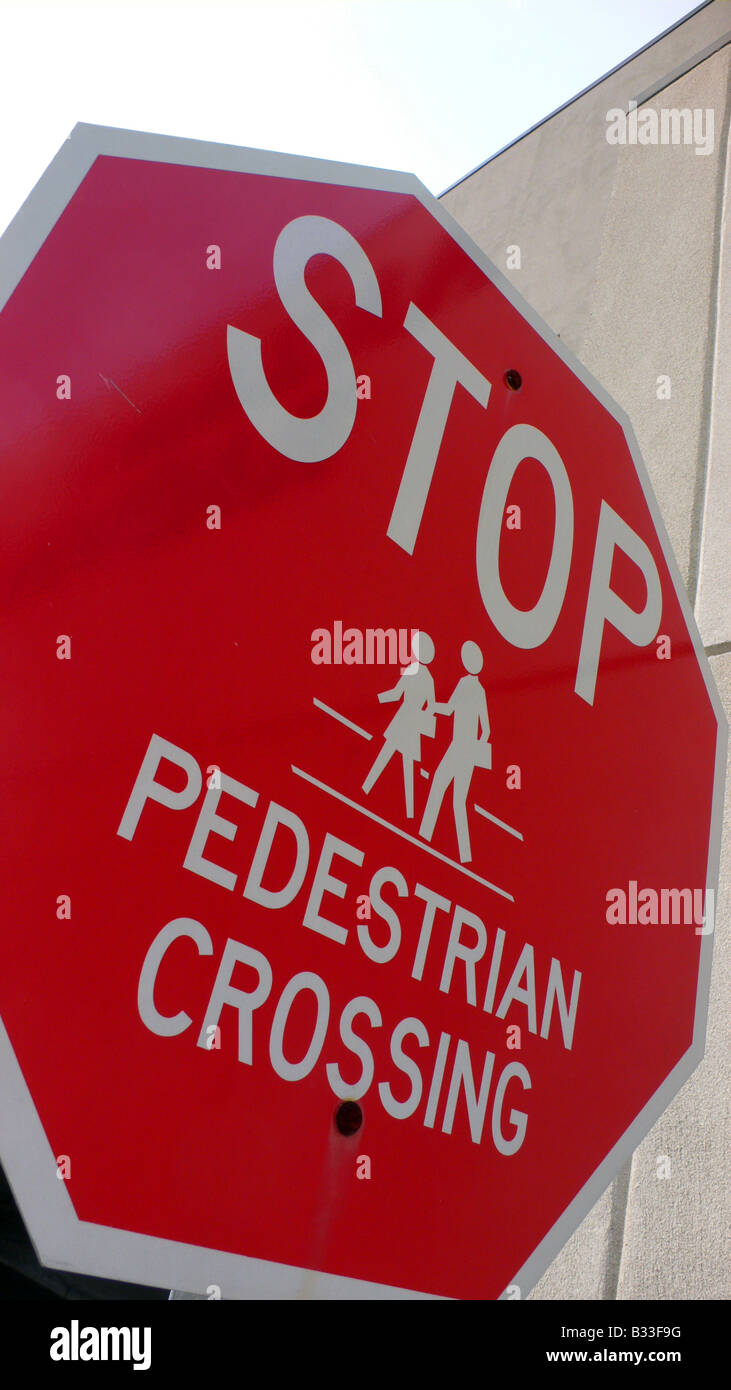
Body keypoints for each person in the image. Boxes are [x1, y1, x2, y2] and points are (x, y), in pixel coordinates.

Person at [419, 640, 490, 863]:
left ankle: (425, 835)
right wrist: (476, 748)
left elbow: (449, 710)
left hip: (459, 748)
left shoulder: (467, 686)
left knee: (441, 787)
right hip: (464, 751)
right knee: (457, 800)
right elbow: (486, 730)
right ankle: (464, 854)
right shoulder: (479, 689)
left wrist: (432, 708)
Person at [362, 631, 435, 819]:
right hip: (412, 722)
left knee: (385, 755)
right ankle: (410, 812)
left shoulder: (412, 670)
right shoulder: (430, 679)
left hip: (404, 719)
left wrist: (374, 700)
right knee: (407, 766)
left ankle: (366, 789)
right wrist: (422, 715)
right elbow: (432, 706)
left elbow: (396, 694)